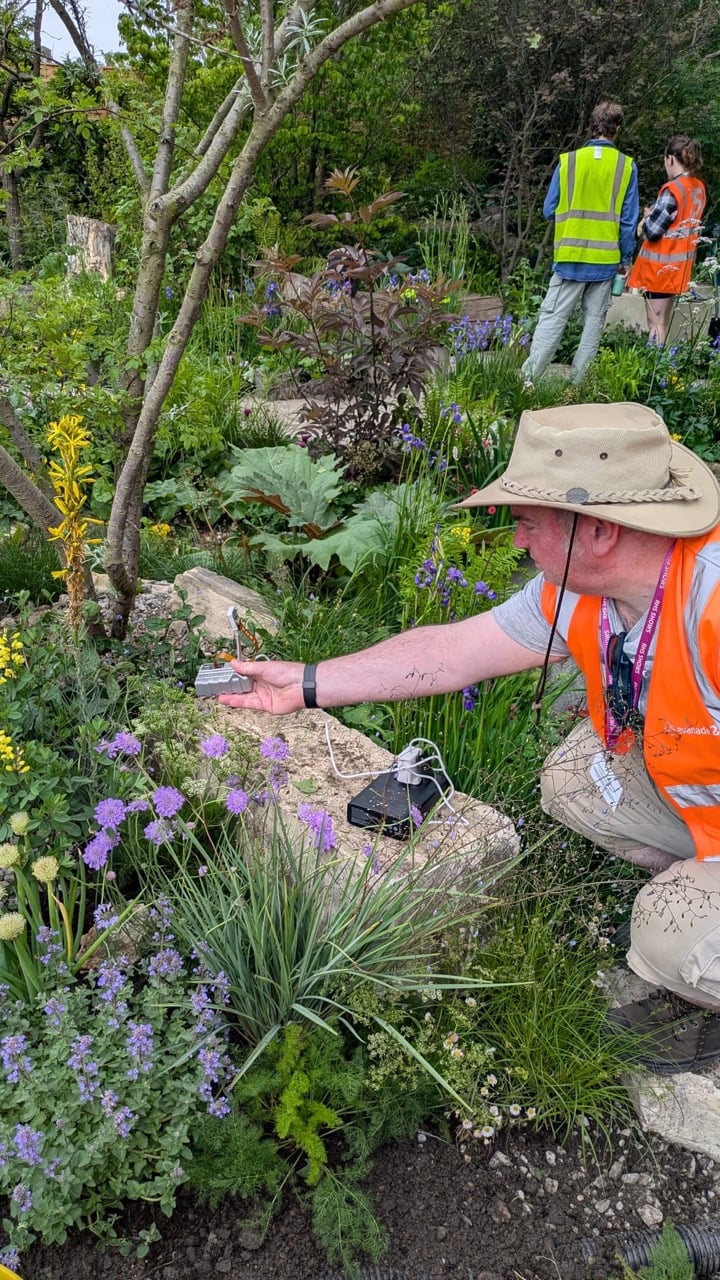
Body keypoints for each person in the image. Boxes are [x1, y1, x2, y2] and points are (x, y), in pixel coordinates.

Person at [221, 401, 720, 1074]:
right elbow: (455, 651)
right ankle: (697, 881)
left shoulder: (711, 604)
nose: (518, 544)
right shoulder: (587, 589)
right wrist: (304, 683)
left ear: (597, 530)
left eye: (527, 524)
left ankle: (694, 924)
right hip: (701, 792)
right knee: (575, 779)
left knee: (664, 931)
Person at [521, 102, 639, 384]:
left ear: (592, 126)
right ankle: (578, 388)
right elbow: (628, 221)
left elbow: (550, 209)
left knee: (552, 319)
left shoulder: (568, 161)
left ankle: (527, 382)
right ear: (617, 129)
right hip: (605, 262)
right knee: (593, 326)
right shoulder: (626, 167)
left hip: (569, 259)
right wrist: (626, 259)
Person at [627, 136, 706, 345]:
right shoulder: (697, 188)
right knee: (662, 321)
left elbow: (652, 231)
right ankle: (659, 367)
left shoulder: (673, 189)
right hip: (680, 266)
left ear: (671, 159)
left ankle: (654, 369)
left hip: (659, 268)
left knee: (656, 322)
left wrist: (647, 217)